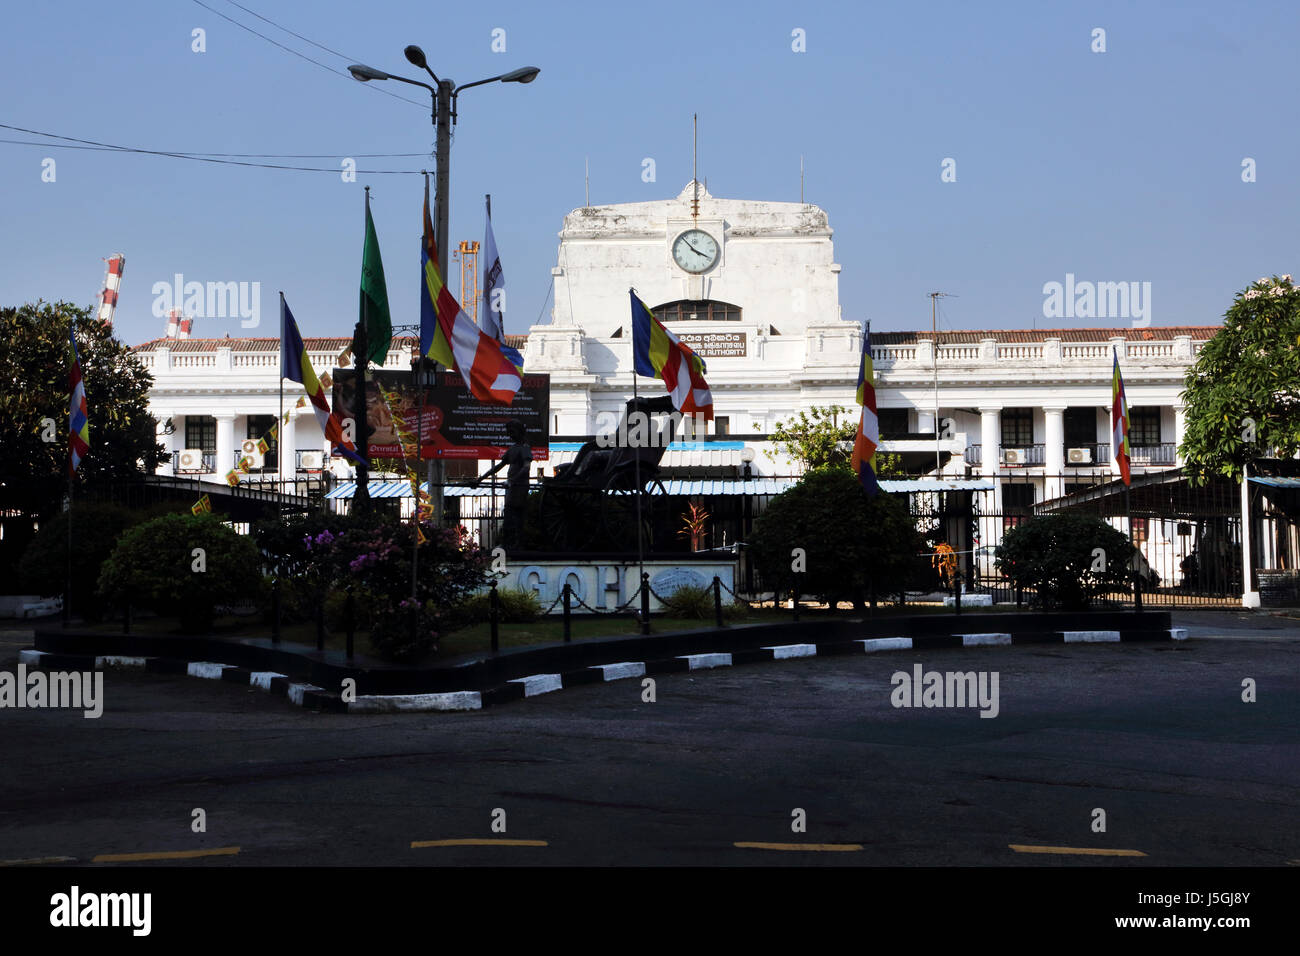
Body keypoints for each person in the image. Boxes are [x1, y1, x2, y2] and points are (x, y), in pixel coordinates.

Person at [475, 419, 532, 549]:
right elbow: (499, 466)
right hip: (511, 486)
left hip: (519, 486)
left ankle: (517, 543)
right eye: (509, 432)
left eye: (512, 432)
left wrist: (512, 481)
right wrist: (480, 479)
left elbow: (526, 468)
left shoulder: (524, 448)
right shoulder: (512, 449)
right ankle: (509, 543)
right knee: (509, 514)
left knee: (515, 515)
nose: (510, 435)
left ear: (519, 432)